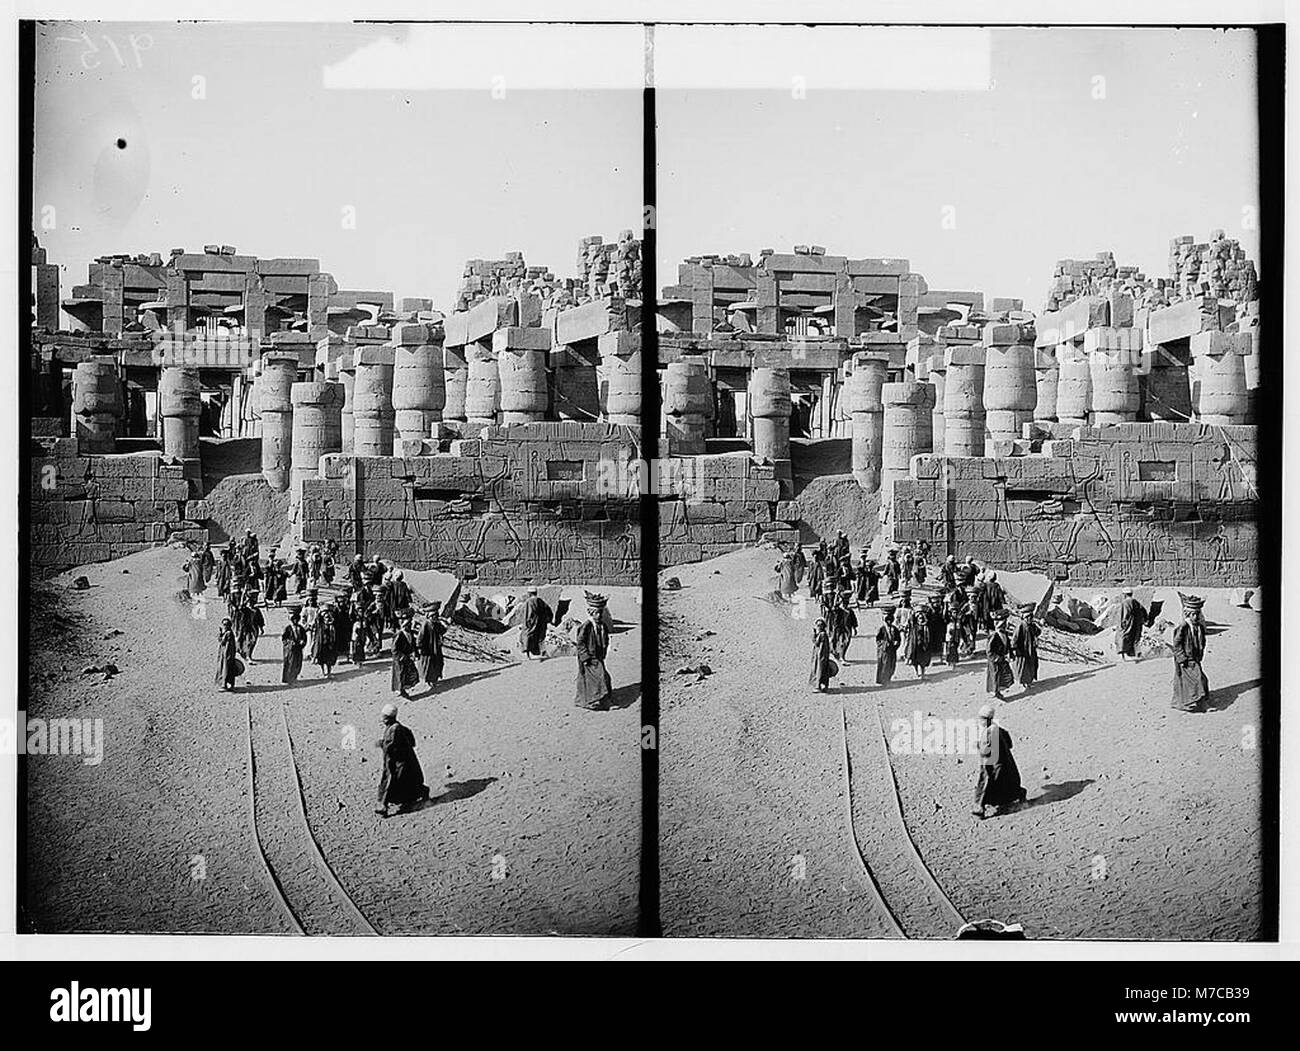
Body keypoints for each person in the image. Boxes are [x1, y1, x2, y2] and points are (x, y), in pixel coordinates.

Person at [374, 703, 430, 818]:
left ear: (387, 718)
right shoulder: (398, 727)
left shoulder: (394, 729)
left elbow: (390, 746)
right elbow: (411, 742)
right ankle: (423, 792)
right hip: (404, 761)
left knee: (390, 782)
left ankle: (383, 806)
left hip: (397, 762)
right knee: (408, 781)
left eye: (384, 716)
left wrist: (381, 744)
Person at [972, 704, 1026, 819]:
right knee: (1006, 782)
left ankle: (979, 808)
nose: (980, 720)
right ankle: (1020, 793)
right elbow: (1010, 744)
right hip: (1003, 763)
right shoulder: (998, 729)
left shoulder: (989, 731)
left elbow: (985, 751)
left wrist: (978, 745)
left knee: (985, 784)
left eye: (982, 718)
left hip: (990, 764)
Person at [575, 593, 614, 711]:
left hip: (598, 656)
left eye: (601, 613)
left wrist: (604, 651)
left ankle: (593, 699)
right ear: (591, 612)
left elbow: (605, 639)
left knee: (598, 678)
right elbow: (580, 643)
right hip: (590, 658)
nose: (599, 615)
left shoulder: (602, 625)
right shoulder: (586, 626)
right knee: (600, 677)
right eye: (597, 613)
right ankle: (596, 701)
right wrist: (585, 657)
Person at [1171, 595, 1210, 712]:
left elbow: (1202, 640)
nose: (1196, 616)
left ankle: (1187, 702)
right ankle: (1195, 704)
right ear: (1188, 614)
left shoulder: (1199, 626)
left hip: (1195, 657)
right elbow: (1176, 643)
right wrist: (1182, 658)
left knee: (1197, 680)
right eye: (1193, 614)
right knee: (1197, 680)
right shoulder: (1183, 627)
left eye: (1197, 614)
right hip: (1186, 659)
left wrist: (1200, 653)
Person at [985, 609, 1014, 700]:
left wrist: (1011, 654)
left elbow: (1008, 644)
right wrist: (996, 658)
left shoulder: (1004, 634)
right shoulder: (994, 635)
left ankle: (998, 691)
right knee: (995, 676)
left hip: (1002, 658)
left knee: (1005, 675)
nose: (1004, 626)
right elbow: (989, 650)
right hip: (995, 660)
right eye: (1002, 624)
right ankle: (996, 692)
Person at [391, 610, 419, 699]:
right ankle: (402, 691)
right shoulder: (399, 634)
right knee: (401, 675)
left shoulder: (410, 633)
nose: (410, 625)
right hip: (400, 659)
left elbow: (413, 644)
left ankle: (403, 689)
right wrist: (401, 656)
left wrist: (415, 653)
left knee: (411, 674)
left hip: (408, 657)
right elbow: (394, 649)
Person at [1011, 604, 1040, 689]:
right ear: (1024, 617)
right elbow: (1015, 638)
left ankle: (1029, 680)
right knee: (1024, 666)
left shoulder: (1032, 625)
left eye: (1031, 617)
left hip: (1031, 649)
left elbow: (1037, 633)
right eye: (1028, 617)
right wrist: (1015, 649)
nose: (1029, 619)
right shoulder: (1020, 625)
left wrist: (1038, 625)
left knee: (1032, 664)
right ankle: (1024, 682)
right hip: (1023, 650)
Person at [416, 604, 446, 688]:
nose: (436, 617)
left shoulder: (437, 623)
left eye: (437, 615)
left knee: (438, 662)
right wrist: (420, 647)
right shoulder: (425, 624)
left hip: (436, 647)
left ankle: (435, 678)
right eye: (434, 616)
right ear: (430, 616)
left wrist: (445, 624)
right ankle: (430, 680)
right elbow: (420, 636)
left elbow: (442, 631)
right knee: (429, 664)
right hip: (428, 648)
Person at [518, 586, 553, 658]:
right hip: (541, 625)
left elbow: (527, 615)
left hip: (532, 625)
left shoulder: (529, 602)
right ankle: (541, 653)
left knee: (526, 637)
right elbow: (549, 612)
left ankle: (528, 655)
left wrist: (526, 624)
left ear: (529, 594)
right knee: (539, 639)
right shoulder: (541, 601)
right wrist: (547, 621)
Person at [1116, 586, 1146, 661]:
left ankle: (1123, 654)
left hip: (1128, 623)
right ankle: (1134, 653)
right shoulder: (1135, 602)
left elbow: (1124, 614)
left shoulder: (1125, 602)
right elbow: (1143, 611)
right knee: (1134, 637)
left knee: (1122, 636)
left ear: (1125, 594)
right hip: (1136, 623)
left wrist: (1123, 623)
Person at [904, 602, 931, 678]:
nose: (920, 618)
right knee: (915, 661)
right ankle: (917, 672)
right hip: (915, 645)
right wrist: (912, 611)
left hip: (923, 645)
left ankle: (922, 673)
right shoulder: (914, 626)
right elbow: (911, 619)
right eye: (919, 616)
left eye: (922, 616)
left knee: (923, 661)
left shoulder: (926, 625)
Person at [312, 601, 339, 678]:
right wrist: (319, 611)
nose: (327, 619)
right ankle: (323, 672)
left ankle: (329, 672)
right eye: (326, 617)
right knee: (321, 660)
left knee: (329, 660)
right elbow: (317, 619)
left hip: (330, 645)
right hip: (322, 644)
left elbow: (336, 618)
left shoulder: (332, 626)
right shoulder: (320, 626)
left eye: (328, 617)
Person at [235, 594, 265, 662]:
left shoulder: (256, 610)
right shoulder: (245, 610)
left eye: (251, 603)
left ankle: (249, 655)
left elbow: (260, 619)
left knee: (253, 642)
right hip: (246, 628)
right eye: (249, 603)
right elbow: (240, 608)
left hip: (254, 628)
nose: (250, 604)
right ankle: (248, 656)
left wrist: (261, 628)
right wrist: (244, 597)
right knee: (248, 642)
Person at [875, 608, 901, 686]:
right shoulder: (882, 629)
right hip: (884, 651)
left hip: (892, 650)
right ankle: (882, 680)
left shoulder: (895, 629)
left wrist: (896, 643)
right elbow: (878, 640)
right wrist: (884, 644)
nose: (889, 621)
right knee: (884, 665)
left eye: (890, 620)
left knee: (891, 665)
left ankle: (888, 679)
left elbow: (898, 638)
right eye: (887, 620)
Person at [830, 591, 858, 662]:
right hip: (839, 629)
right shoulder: (839, 610)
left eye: (847, 603)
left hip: (848, 629)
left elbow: (853, 620)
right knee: (841, 642)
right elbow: (834, 609)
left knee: (846, 642)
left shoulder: (850, 611)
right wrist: (837, 598)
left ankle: (842, 655)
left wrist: (855, 628)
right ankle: (841, 656)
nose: (845, 605)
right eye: (844, 603)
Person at [809, 617, 835, 692]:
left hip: (821, 655)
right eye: (818, 625)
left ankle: (818, 686)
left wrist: (814, 633)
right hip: (819, 655)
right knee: (820, 670)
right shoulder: (821, 634)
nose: (819, 627)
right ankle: (823, 685)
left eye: (820, 625)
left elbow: (816, 643)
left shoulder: (822, 634)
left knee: (819, 670)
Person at [281, 609, 307, 684]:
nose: (295, 621)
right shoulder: (288, 628)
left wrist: (303, 641)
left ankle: (294, 677)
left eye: (296, 619)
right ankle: (288, 679)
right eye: (293, 619)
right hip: (290, 650)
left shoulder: (301, 628)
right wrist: (290, 642)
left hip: (298, 648)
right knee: (290, 663)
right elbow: (284, 639)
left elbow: (304, 637)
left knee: (298, 663)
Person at [214, 617, 240, 691]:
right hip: (225, 654)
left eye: (226, 624)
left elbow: (223, 642)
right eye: (224, 624)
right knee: (226, 669)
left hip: (227, 654)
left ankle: (224, 685)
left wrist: (220, 633)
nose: (225, 626)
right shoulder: (226, 633)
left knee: (226, 669)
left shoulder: (228, 633)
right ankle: (229, 685)